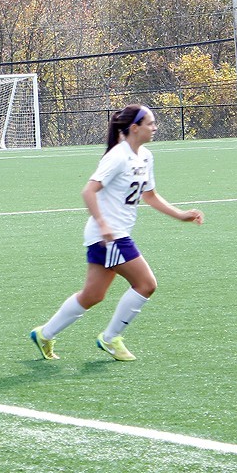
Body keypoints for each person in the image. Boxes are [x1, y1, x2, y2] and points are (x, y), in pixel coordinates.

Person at [30, 104, 204, 361]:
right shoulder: (117, 156)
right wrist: (103, 224)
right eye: (150, 124)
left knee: (93, 295)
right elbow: (88, 191)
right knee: (146, 284)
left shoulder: (145, 156)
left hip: (111, 236)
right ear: (134, 128)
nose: (155, 128)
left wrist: (180, 215)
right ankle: (110, 338)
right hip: (109, 237)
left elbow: (150, 195)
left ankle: (45, 333)